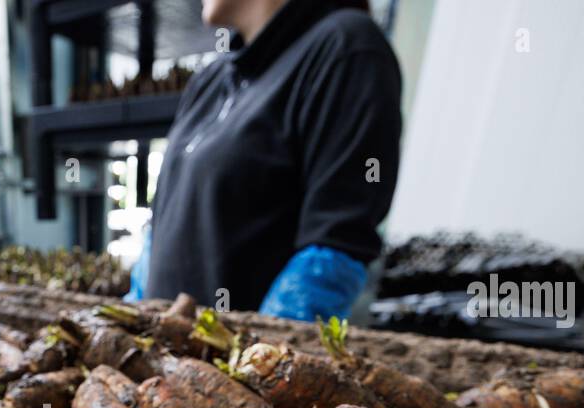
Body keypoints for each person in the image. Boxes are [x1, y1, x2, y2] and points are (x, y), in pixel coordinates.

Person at [127, 0, 401, 322]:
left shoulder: (347, 47)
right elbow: (160, 227)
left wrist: (257, 361)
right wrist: (132, 320)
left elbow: (336, 245)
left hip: (233, 366)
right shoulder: (211, 79)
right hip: (160, 360)